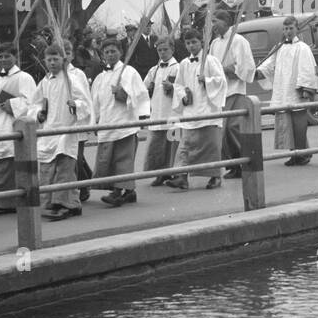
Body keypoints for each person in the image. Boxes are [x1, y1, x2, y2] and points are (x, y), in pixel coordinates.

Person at [21, 43, 93, 220]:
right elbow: (34, 102)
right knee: (47, 168)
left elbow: (85, 101)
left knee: (64, 169)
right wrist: (38, 113)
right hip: (49, 130)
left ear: (64, 59)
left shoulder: (71, 80)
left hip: (66, 129)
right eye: (49, 59)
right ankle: (64, 202)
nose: (52, 62)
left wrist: (75, 105)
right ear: (44, 61)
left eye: (56, 59)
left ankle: (64, 204)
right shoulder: (45, 81)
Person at [164, 29, 228, 189]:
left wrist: (206, 80)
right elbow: (178, 84)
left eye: (194, 42)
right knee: (186, 145)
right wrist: (183, 94)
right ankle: (181, 175)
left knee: (210, 145)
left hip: (207, 109)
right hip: (191, 110)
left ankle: (215, 176)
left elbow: (221, 81)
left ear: (202, 42)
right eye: (188, 43)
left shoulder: (211, 61)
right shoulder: (184, 64)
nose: (191, 46)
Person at [0, 42, 36, 214]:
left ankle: (6, 201)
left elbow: (30, 102)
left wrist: (11, 104)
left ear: (15, 57)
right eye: (0, 56)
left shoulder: (23, 78)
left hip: (12, 127)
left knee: (8, 168)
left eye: (7, 56)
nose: (3, 60)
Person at [90, 40, 150, 207]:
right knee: (108, 158)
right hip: (107, 123)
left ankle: (118, 192)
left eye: (113, 51)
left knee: (123, 159)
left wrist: (123, 93)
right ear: (102, 55)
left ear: (121, 52)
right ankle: (129, 192)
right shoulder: (101, 77)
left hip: (124, 123)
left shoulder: (129, 72)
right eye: (107, 52)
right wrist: (96, 120)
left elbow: (140, 95)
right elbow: (96, 101)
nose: (110, 54)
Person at [255, 17, 318, 166]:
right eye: (285, 29)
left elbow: (307, 69)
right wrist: (258, 71)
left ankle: (303, 154)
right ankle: (295, 153)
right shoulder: (279, 47)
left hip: (296, 91)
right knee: (287, 125)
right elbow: (269, 64)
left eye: (291, 28)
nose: (288, 32)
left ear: (297, 29)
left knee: (299, 125)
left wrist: (305, 89)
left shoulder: (302, 47)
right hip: (283, 90)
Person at [209, 10, 256, 181]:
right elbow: (212, 65)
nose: (213, 25)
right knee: (222, 131)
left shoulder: (238, 41)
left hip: (235, 90)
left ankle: (244, 161)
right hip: (220, 92)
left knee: (232, 128)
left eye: (215, 21)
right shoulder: (214, 44)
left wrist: (230, 70)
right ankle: (233, 164)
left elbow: (247, 67)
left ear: (225, 22)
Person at [143, 38, 181, 185]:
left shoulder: (177, 68)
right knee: (158, 145)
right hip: (157, 112)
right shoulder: (154, 70)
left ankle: (174, 172)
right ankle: (160, 172)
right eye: (160, 50)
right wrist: (148, 89)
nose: (163, 53)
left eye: (165, 49)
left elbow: (183, 88)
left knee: (172, 144)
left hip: (172, 113)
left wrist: (173, 87)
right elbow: (143, 87)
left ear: (172, 50)